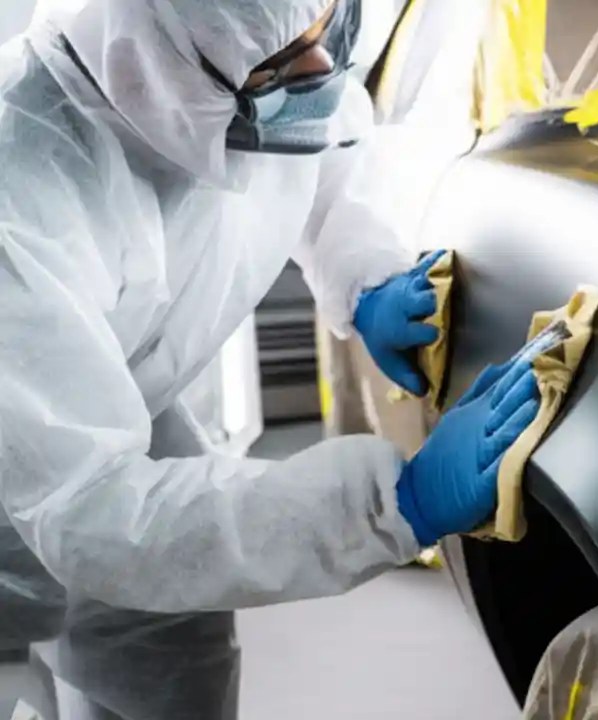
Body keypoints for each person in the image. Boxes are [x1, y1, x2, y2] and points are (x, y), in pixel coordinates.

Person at [0, 0, 540, 717]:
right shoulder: (26, 186)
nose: (320, 71)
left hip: (119, 397)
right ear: (156, 74)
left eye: (326, 31)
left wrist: (364, 273)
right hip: (36, 446)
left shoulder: (216, 80)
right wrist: (387, 507)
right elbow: (97, 513)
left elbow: (316, 153)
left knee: (167, 643)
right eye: (277, 64)